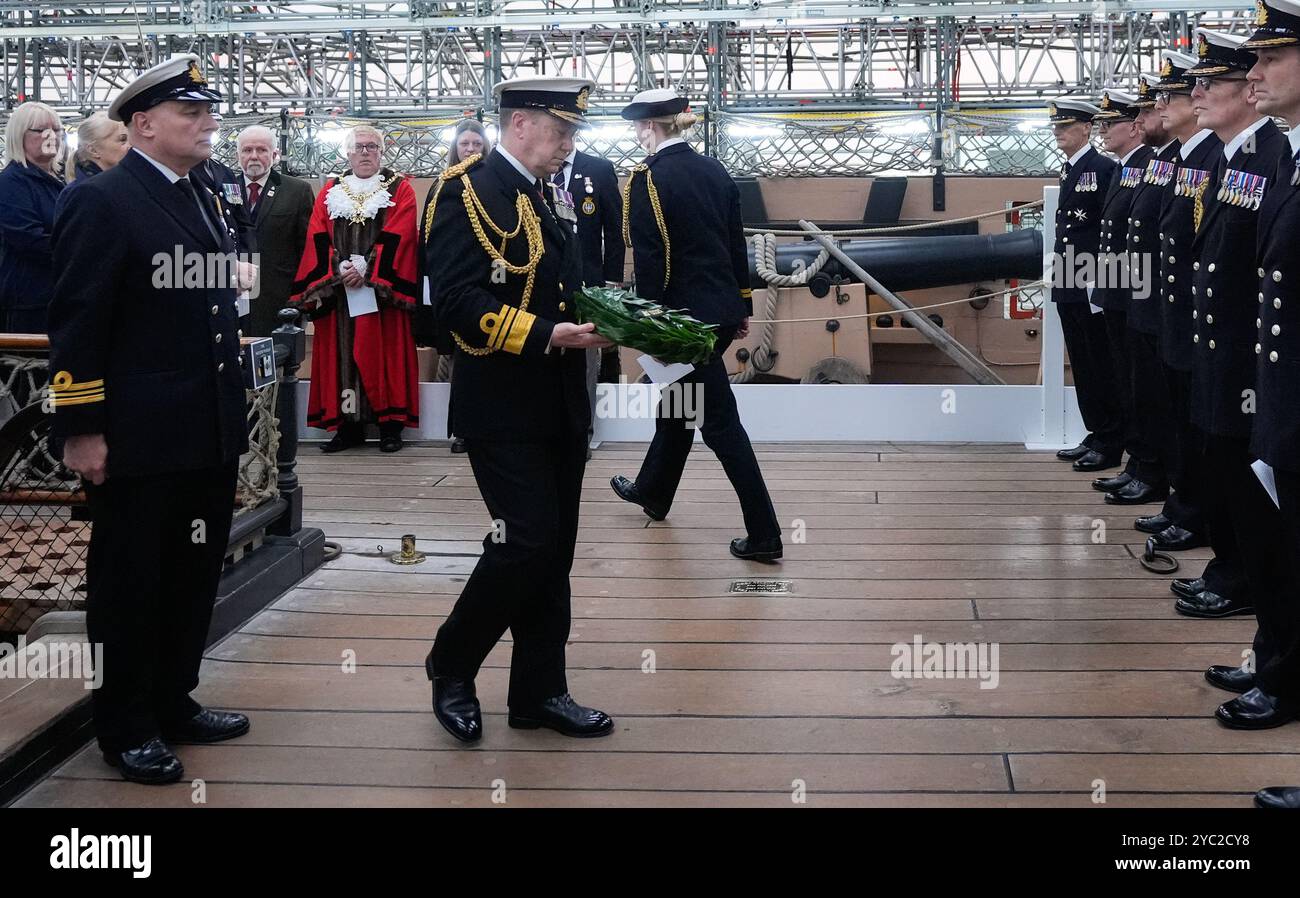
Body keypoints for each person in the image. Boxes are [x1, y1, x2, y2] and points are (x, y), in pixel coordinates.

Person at [47, 54, 252, 785]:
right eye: (190, 115)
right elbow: (77, 321)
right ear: (144, 125)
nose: (208, 124)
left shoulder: (201, 192)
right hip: (137, 434)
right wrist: (80, 427)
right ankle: (125, 725)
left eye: (208, 113)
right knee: (131, 583)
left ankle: (173, 699)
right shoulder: (102, 201)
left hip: (205, 425)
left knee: (192, 574)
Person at [423, 76, 615, 743]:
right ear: (523, 124)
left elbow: (563, 289)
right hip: (500, 403)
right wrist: (545, 335)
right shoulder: (464, 191)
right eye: (561, 132)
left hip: (560, 401)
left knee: (552, 550)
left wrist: (607, 321)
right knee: (524, 538)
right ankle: (452, 662)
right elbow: (453, 304)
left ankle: (539, 692)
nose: (569, 146)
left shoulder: (547, 193)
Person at [608, 87, 782, 561]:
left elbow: (653, 263)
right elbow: (734, 245)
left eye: (637, 128)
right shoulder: (715, 171)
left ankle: (765, 534)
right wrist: (740, 305)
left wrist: (651, 327)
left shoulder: (647, 179)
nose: (637, 135)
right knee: (680, 404)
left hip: (682, 324)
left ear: (648, 127)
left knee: (721, 426)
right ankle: (653, 490)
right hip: (720, 314)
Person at [290, 124, 421, 453]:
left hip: (382, 294)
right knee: (342, 357)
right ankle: (348, 429)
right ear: (346, 153)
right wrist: (339, 267)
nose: (365, 152)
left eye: (372, 147)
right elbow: (317, 234)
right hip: (340, 293)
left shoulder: (399, 188)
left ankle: (390, 427)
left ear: (381, 152)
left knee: (385, 356)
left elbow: (402, 231)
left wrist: (369, 266)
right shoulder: (330, 190)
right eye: (359, 147)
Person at [1089, 90, 1158, 504]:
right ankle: (1137, 462)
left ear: (1133, 128)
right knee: (1126, 380)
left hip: (1136, 292)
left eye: (1108, 124)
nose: (1103, 131)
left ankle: (1146, 466)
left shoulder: (1147, 166)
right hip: (1118, 290)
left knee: (1140, 385)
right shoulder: (1125, 169)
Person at [1047, 98, 1123, 473]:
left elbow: (1111, 231)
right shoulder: (1070, 169)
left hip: (1092, 277)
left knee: (1099, 359)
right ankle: (1096, 431)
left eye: (1065, 126)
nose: (1058, 133)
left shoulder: (1104, 168)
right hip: (1069, 274)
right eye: (1056, 127)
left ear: (1086, 129)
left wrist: (1103, 283)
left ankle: (1111, 437)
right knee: (1081, 359)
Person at [419, 118, 493, 454]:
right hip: (454, 289)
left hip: (490, 288)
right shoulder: (440, 186)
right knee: (457, 362)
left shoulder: (494, 186)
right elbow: (428, 243)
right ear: (455, 148)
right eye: (465, 145)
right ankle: (462, 429)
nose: (471, 150)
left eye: (477, 145)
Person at [553, 136, 626, 457]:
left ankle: (581, 432)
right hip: (547, 283)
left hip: (589, 283)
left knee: (585, 360)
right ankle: (549, 429)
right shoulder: (540, 168)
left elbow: (614, 231)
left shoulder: (597, 169)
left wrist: (612, 283)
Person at [235, 124, 314, 336]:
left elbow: (306, 249)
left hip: (279, 301)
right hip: (233, 299)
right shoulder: (222, 189)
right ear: (238, 154)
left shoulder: (297, 191)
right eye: (247, 150)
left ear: (275, 154)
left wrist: (301, 299)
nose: (253, 156)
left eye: (261, 150)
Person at [0, 101, 65, 334]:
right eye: (41, 130)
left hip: (59, 294)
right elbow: (28, 239)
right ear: (20, 136)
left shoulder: (58, 180)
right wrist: (79, 250)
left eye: (56, 130)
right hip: (30, 302)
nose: (52, 136)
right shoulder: (11, 183)